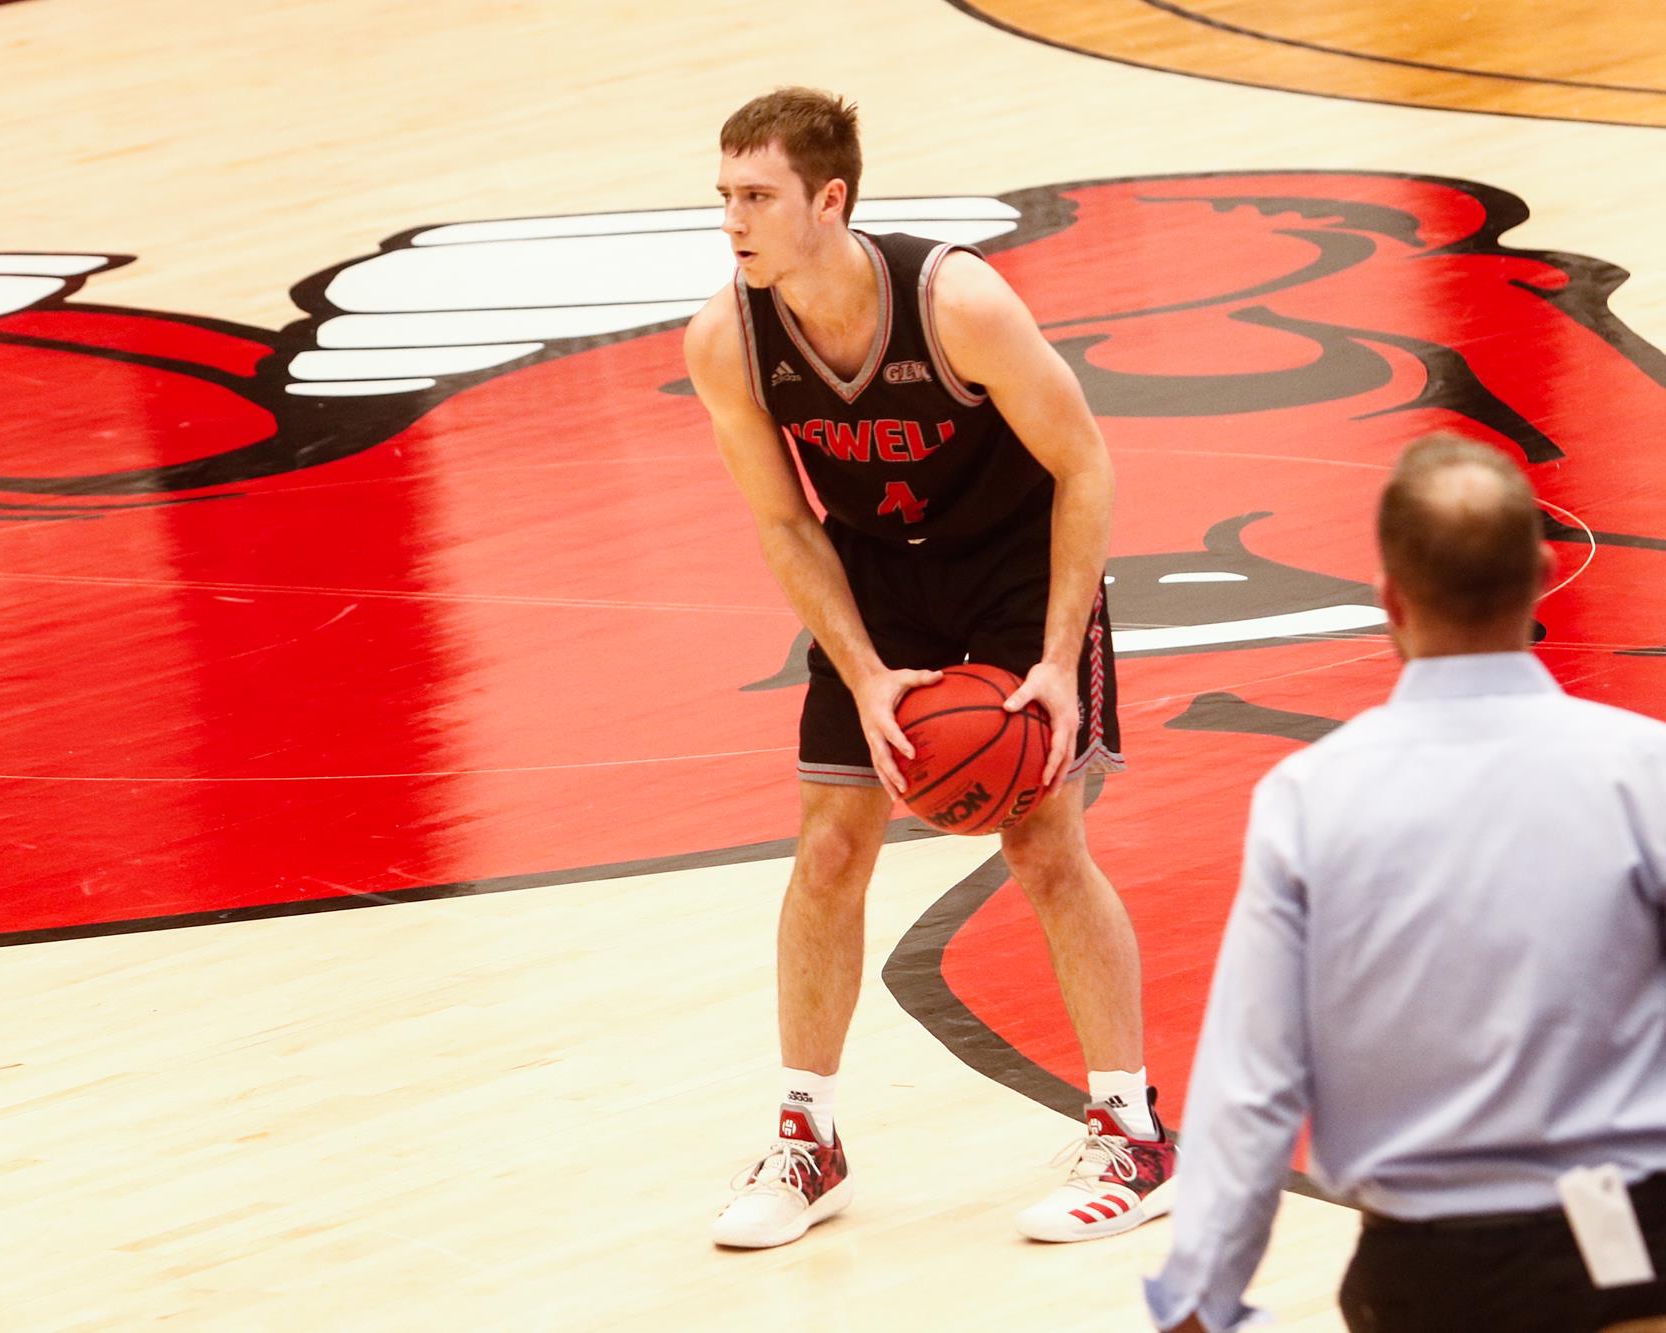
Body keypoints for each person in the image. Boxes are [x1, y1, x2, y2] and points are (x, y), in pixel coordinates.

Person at [682, 87, 1173, 1250]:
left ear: (829, 199)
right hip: (879, 582)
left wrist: (1056, 661)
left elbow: (1084, 468)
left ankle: (1133, 1131)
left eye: (756, 198)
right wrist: (856, 669)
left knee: (1044, 844)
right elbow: (786, 526)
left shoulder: (956, 302)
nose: (732, 221)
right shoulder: (727, 340)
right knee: (827, 847)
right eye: (724, 197)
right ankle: (808, 1135)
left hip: (1014, 567)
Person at [1147, 434, 1666, 1333]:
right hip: (1630, 1253)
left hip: (1424, 1281)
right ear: (1544, 573)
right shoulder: (1645, 771)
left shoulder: (1309, 802)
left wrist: (1201, 1297)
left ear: (1388, 596)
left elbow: (1252, 1082)